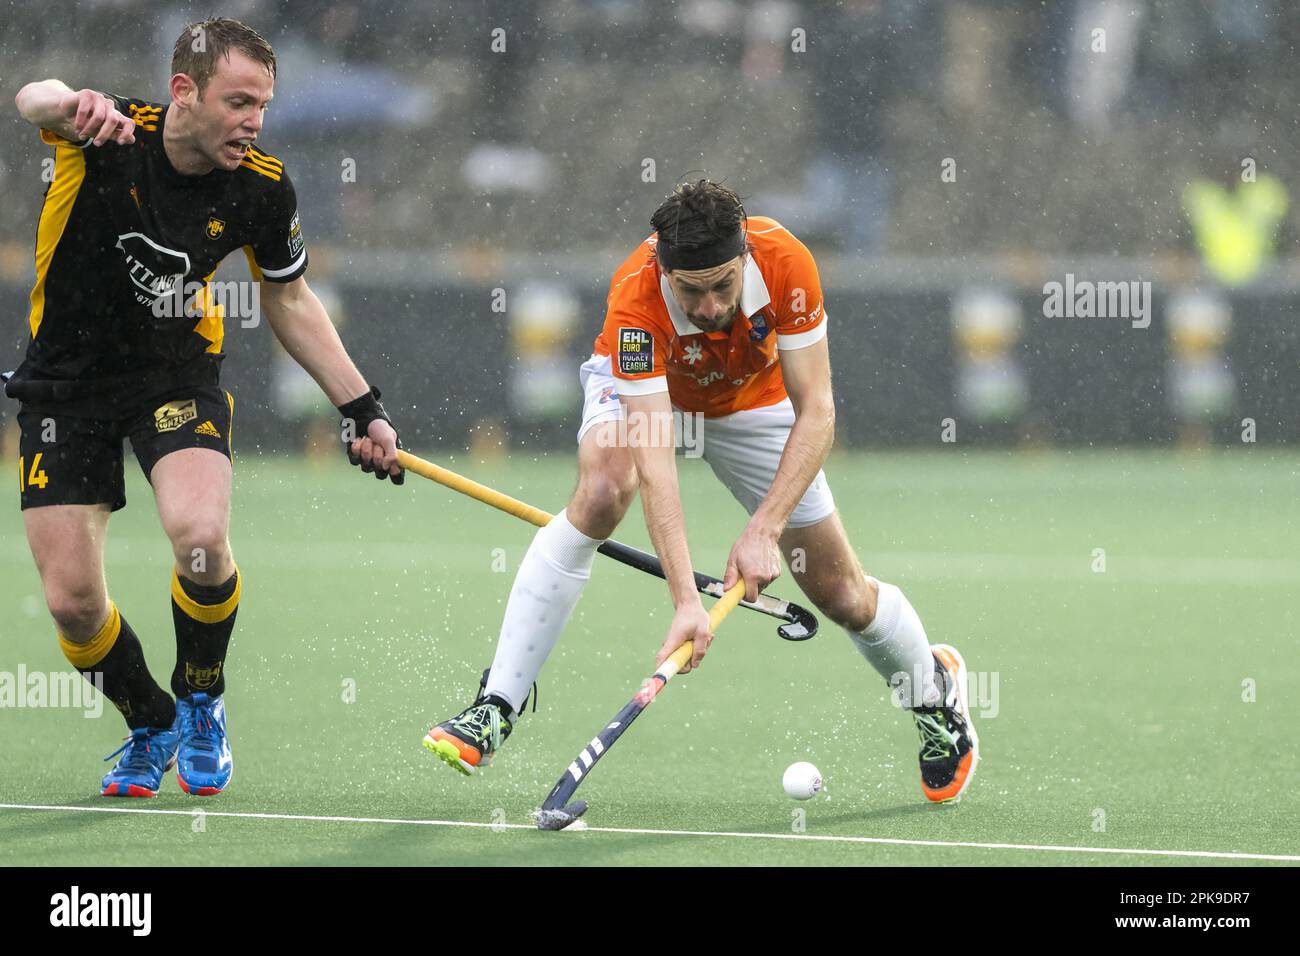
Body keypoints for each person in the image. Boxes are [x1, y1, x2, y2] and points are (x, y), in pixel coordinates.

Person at [424, 180, 978, 803]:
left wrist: (765, 528)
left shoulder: (787, 263)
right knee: (605, 487)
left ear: (744, 259)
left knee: (842, 593)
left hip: (753, 402)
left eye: (723, 285)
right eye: (691, 290)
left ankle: (933, 694)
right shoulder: (635, 300)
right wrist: (687, 598)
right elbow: (655, 460)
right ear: (663, 269)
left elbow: (817, 411)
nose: (711, 306)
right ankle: (496, 704)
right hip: (653, 394)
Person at [6, 17, 404, 798]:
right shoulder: (107, 136)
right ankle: (149, 722)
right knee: (73, 605)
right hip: (65, 386)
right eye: (239, 101)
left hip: (174, 376)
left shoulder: (261, 184)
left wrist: (363, 407)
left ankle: (201, 697)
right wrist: (68, 101)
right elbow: (31, 98)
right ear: (183, 91)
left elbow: (288, 300)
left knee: (199, 537)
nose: (255, 121)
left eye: (264, 104)